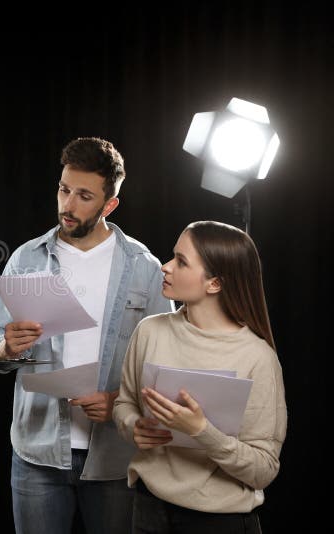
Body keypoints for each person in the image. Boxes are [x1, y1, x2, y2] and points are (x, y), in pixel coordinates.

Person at [0, 137, 173, 533]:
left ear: (109, 205)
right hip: (37, 452)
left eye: (83, 196)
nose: (67, 205)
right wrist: (5, 345)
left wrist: (120, 400)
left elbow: (166, 366)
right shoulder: (27, 258)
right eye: (64, 189)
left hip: (115, 457)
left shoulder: (144, 266)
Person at [113, 220, 287, 533]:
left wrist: (201, 431)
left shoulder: (258, 358)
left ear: (215, 284)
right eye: (172, 256)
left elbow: (263, 470)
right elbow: (124, 403)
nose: (165, 267)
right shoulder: (150, 332)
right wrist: (133, 427)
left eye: (181, 262)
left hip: (219, 521)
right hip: (149, 508)